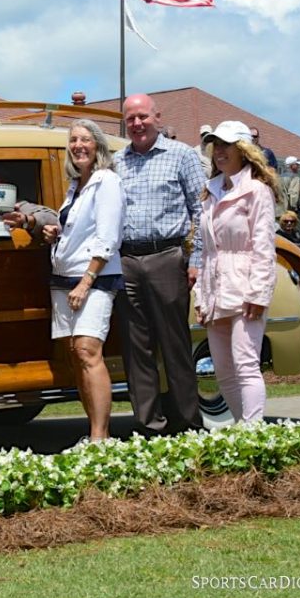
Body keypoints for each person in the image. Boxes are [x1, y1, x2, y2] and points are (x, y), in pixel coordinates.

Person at [113, 92, 206, 436]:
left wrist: (195, 258)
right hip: (126, 261)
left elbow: (202, 211)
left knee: (175, 345)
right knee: (137, 350)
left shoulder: (181, 156)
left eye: (143, 117)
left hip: (167, 257)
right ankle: (149, 427)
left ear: (157, 117)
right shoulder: (116, 162)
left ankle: (188, 425)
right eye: (131, 119)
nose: (137, 124)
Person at [41, 119, 124, 443]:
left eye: (85, 140)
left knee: (89, 350)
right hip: (64, 276)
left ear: (98, 146)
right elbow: (80, 230)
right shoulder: (77, 185)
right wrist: (55, 233)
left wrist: (86, 281)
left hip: (93, 278)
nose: (78, 146)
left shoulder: (106, 181)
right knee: (76, 355)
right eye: (73, 140)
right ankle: (92, 430)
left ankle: (100, 438)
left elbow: (107, 236)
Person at [195, 121, 278, 423]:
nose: (219, 152)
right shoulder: (210, 192)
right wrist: (201, 297)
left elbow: (263, 246)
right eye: (215, 145)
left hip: (245, 290)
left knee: (245, 365)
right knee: (223, 370)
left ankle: (253, 433)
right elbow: (206, 251)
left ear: (243, 150)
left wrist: (258, 293)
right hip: (216, 292)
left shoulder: (257, 191)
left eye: (225, 145)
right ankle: (245, 427)